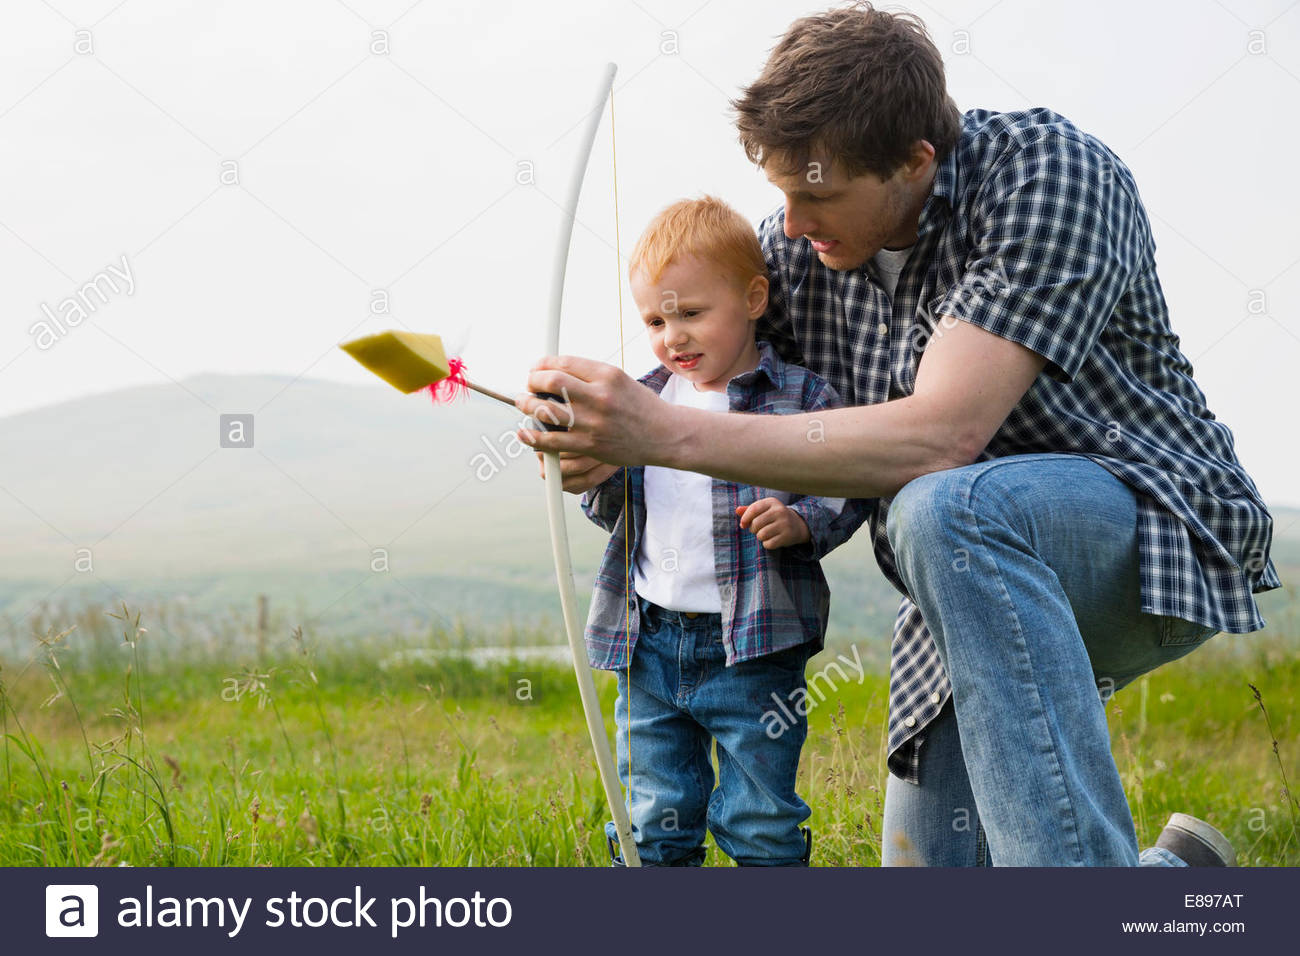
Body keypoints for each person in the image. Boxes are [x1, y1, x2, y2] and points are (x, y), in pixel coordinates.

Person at [519, 4, 1280, 866]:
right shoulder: (798, 253)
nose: (792, 225)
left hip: (1149, 536)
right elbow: (727, 398)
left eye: (817, 194)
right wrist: (600, 439)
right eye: (782, 195)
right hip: (960, 590)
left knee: (941, 504)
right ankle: (1172, 884)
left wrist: (658, 433)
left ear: (916, 161)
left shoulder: (1051, 173)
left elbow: (943, 435)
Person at [578, 196, 870, 866]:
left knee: (759, 819)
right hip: (649, 639)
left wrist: (802, 521)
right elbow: (612, 510)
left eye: (690, 313)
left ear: (753, 297)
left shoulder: (799, 397)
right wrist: (590, 469)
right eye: (655, 318)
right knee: (654, 817)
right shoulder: (640, 402)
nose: (671, 336)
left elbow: (851, 482)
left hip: (756, 647)